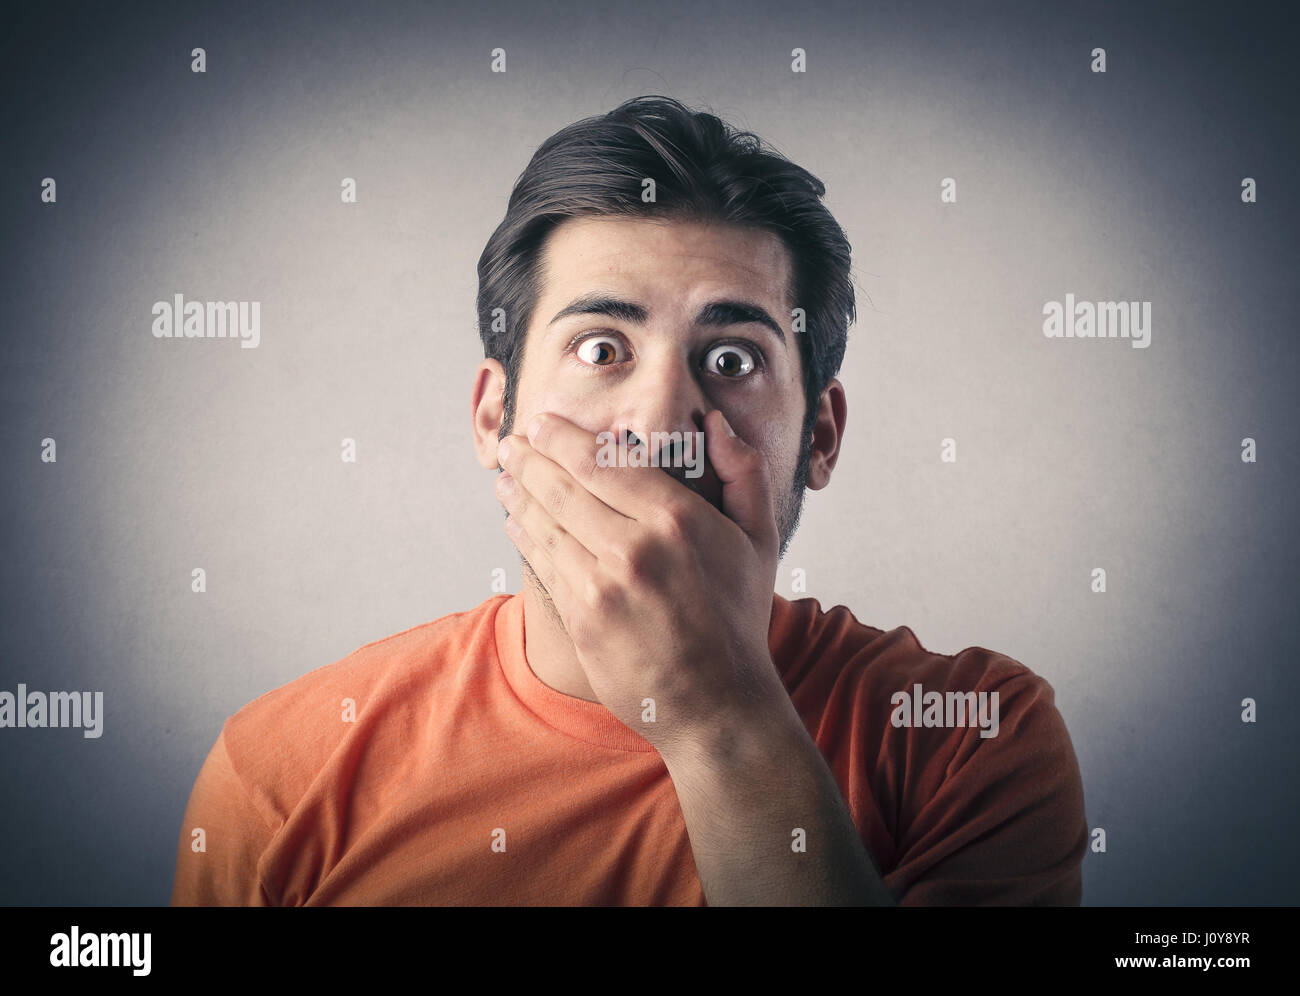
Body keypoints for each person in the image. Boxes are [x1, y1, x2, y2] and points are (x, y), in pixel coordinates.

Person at [171, 95, 1087, 906]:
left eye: (733, 360)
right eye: (602, 349)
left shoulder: (974, 736)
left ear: (819, 436)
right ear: (496, 416)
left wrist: (721, 716)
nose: (660, 422)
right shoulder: (281, 771)